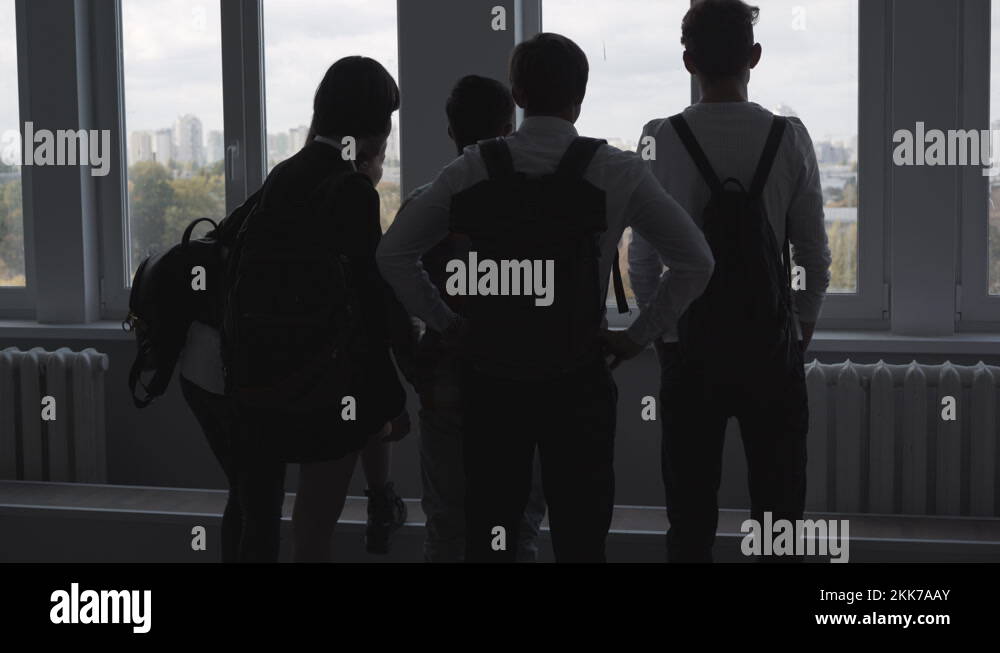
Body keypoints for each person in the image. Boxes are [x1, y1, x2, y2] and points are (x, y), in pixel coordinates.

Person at [377, 34, 714, 563]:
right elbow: (697, 262)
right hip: (578, 381)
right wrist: (635, 338)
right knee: (581, 538)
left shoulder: (472, 168)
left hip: (491, 385)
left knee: (492, 534)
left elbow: (394, 255)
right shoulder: (617, 170)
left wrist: (447, 323)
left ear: (516, 94)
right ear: (579, 97)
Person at [628, 0, 832, 562]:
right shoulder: (788, 138)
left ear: (688, 60)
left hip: (691, 354)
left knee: (689, 519)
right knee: (779, 518)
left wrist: (666, 335)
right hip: (771, 348)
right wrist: (797, 330)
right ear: (755, 57)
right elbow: (813, 257)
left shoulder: (659, 139)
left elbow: (642, 263)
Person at [399, 75, 547, 562]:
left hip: (449, 386)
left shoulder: (428, 199)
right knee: (518, 526)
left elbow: (394, 268)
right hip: (524, 384)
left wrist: (443, 323)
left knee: (447, 525)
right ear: (509, 128)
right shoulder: (536, 202)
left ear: (450, 131)